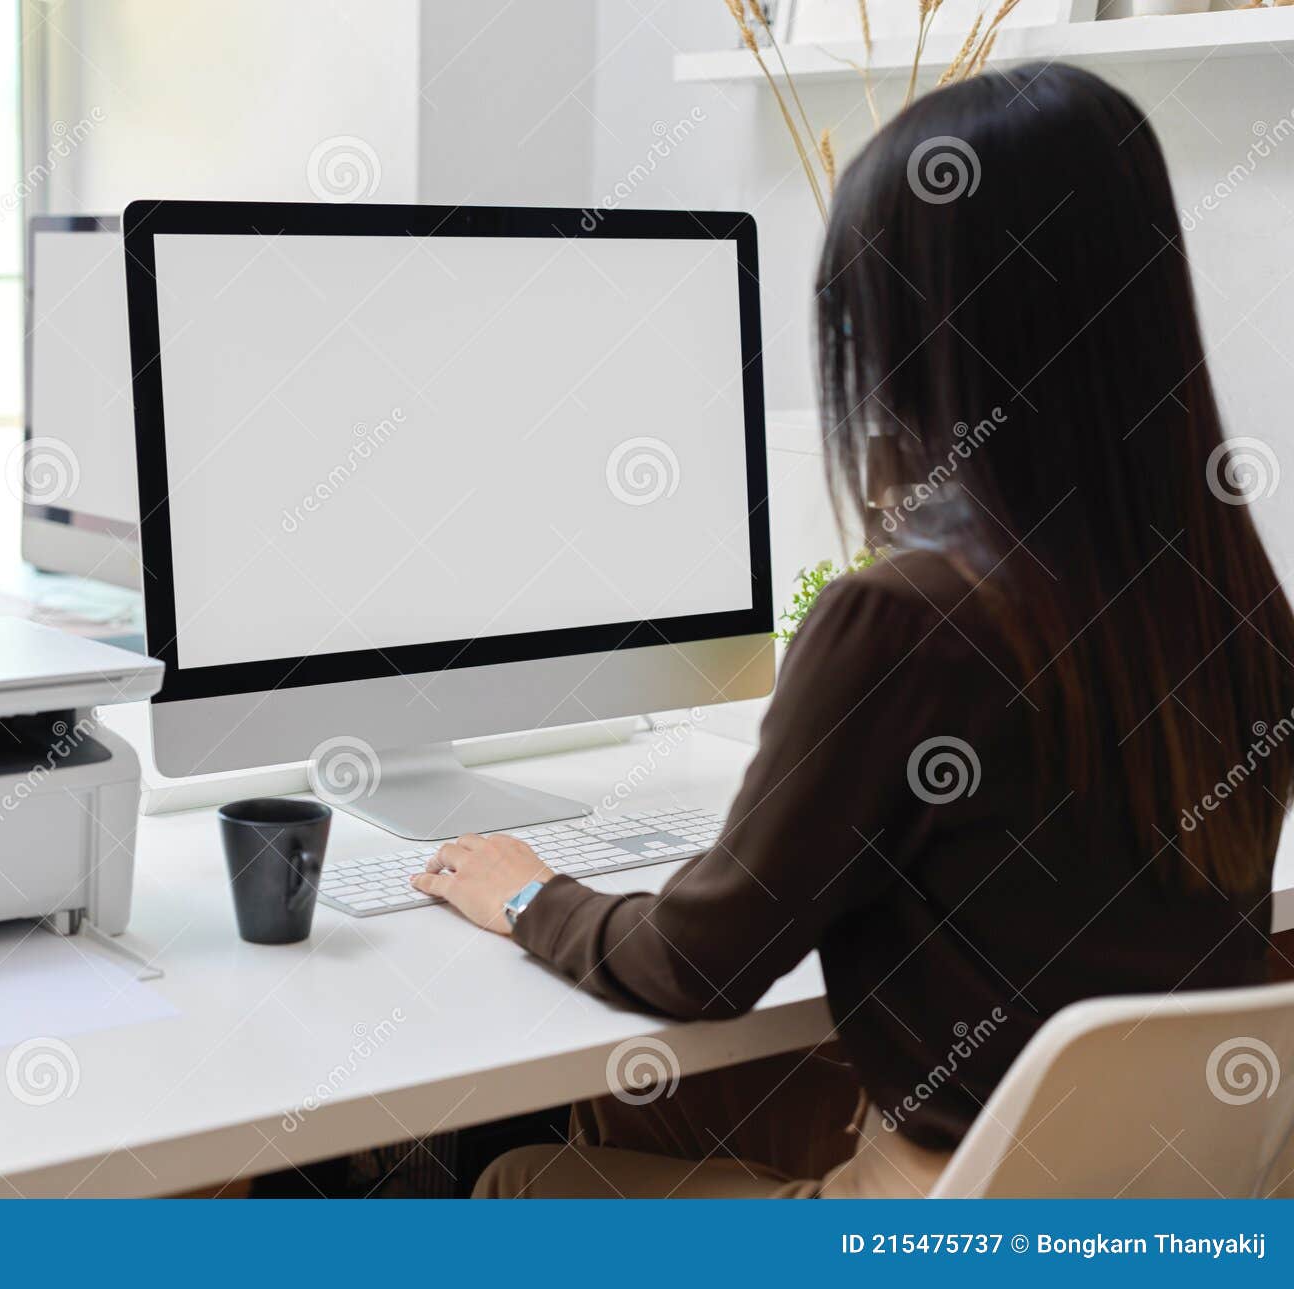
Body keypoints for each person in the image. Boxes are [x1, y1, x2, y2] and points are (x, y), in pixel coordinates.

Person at [410, 61, 1294, 1198]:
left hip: (924, 1219)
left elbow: (694, 966)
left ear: (911, 332)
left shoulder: (907, 619)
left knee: (521, 1176)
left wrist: (529, 894)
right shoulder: (1236, 602)